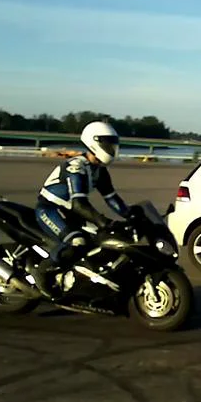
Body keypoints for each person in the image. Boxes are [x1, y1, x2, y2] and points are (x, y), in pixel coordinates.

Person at [30, 121, 129, 299]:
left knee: (97, 239)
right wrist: (104, 221)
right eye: (108, 144)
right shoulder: (76, 167)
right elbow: (79, 204)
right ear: (95, 143)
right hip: (50, 209)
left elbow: (112, 198)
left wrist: (131, 215)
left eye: (113, 145)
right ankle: (43, 272)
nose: (112, 149)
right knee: (77, 242)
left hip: (69, 212)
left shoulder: (99, 170)